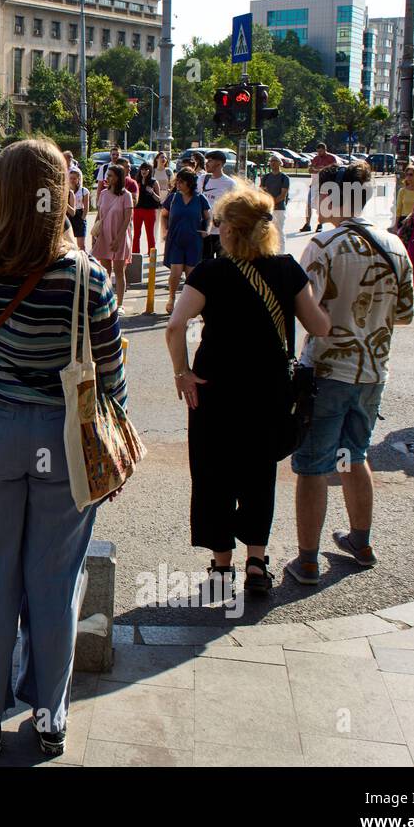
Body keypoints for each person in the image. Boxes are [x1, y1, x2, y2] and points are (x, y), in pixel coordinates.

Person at [0, 137, 126, 757]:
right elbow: (109, 375)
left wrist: (0, 184)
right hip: (61, 436)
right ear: (65, 194)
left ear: (2, 189)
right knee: (55, 583)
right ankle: (50, 713)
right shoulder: (86, 276)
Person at [166, 184, 330, 595]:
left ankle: (222, 568)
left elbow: (174, 326)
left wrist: (182, 372)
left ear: (229, 231)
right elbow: (320, 327)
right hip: (269, 388)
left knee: (212, 473)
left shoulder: (209, 272)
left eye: (219, 223)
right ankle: (257, 563)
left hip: (213, 389)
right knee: (260, 473)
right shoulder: (289, 269)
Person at [290, 163, 414, 586]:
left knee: (311, 464)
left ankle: (307, 559)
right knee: (353, 455)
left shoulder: (323, 245)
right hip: (373, 370)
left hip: (326, 370)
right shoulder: (395, 245)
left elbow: (306, 312)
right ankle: (361, 542)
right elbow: (406, 315)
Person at [162, 169, 210, 314]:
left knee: (191, 275)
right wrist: (165, 230)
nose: (178, 184)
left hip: (193, 241)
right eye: (177, 181)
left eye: (181, 181)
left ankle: (189, 303)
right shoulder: (173, 198)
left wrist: (206, 229)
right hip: (175, 239)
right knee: (175, 273)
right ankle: (171, 298)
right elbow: (164, 215)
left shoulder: (200, 198)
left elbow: (208, 217)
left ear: (189, 183)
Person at [91, 163, 134, 307]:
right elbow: (99, 215)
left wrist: (118, 239)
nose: (106, 178)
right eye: (106, 175)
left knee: (119, 272)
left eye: (110, 175)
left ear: (117, 178)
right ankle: (107, 302)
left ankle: (120, 304)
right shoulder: (103, 193)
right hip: (104, 235)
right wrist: (93, 234)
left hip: (119, 237)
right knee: (105, 272)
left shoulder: (126, 195)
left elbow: (127, 219)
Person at [198, 151, 236, 261]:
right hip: (205, 232)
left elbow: (233, 209)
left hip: (222, 233)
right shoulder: (202, 179)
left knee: (222, 265)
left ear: (219, 164)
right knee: (205, 265)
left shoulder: (230, 184)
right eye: (206, 161)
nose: (206, 164)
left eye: (210, 161)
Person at [300, 143, 338, 233]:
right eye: (318, 151)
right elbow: (310, 169)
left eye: (320, 151)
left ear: (325, 149)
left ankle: (320, 224)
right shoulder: (316, 158)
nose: (319, 153)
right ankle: (307, 224)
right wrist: (320, 169)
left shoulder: (331, 158)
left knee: (321, 206)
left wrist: (319, 169)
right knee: (308, 204)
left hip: (325, 186)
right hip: (314, 184)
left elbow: (333, 169)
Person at [259, 155, 291, 252]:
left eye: (275, 161)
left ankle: (281, 253)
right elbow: (261, 191)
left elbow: (283, 195)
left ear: (280, 163)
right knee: (266, 232)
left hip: (279, 209)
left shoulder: (284, 178)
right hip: (266, 210)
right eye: (271, 161)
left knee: (278, 231)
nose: (273, 163)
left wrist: (271, 203)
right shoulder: (266, 177)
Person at [131, 161, 161, 254]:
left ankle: (151, 254)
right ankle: (135, 253)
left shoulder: (154, 182)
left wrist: (152, 192)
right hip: (137, 210)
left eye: (146, 169)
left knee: (150, 234)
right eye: (142, 169)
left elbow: (159, 199)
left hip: (149, 211)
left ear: (150, 170)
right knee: (136, 234)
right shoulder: (136, 181)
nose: (144, 171)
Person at [389, 164, 414, 234]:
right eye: (407, 175)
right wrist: (396, 225)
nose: (408, 177)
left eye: (411, 175)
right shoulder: (402, 191)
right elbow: (398, 209)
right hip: (404, 221)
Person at [66, 167, 90, 251]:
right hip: (69, 215)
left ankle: (84, 261)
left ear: (78, 179)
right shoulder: (66, 190)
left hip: (79, 214)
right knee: (69, 244)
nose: (72, 180)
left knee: (81, 245)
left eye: (74, 178)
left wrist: (82, 219)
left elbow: (86, 207)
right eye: (71, 178)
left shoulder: (84, 191)